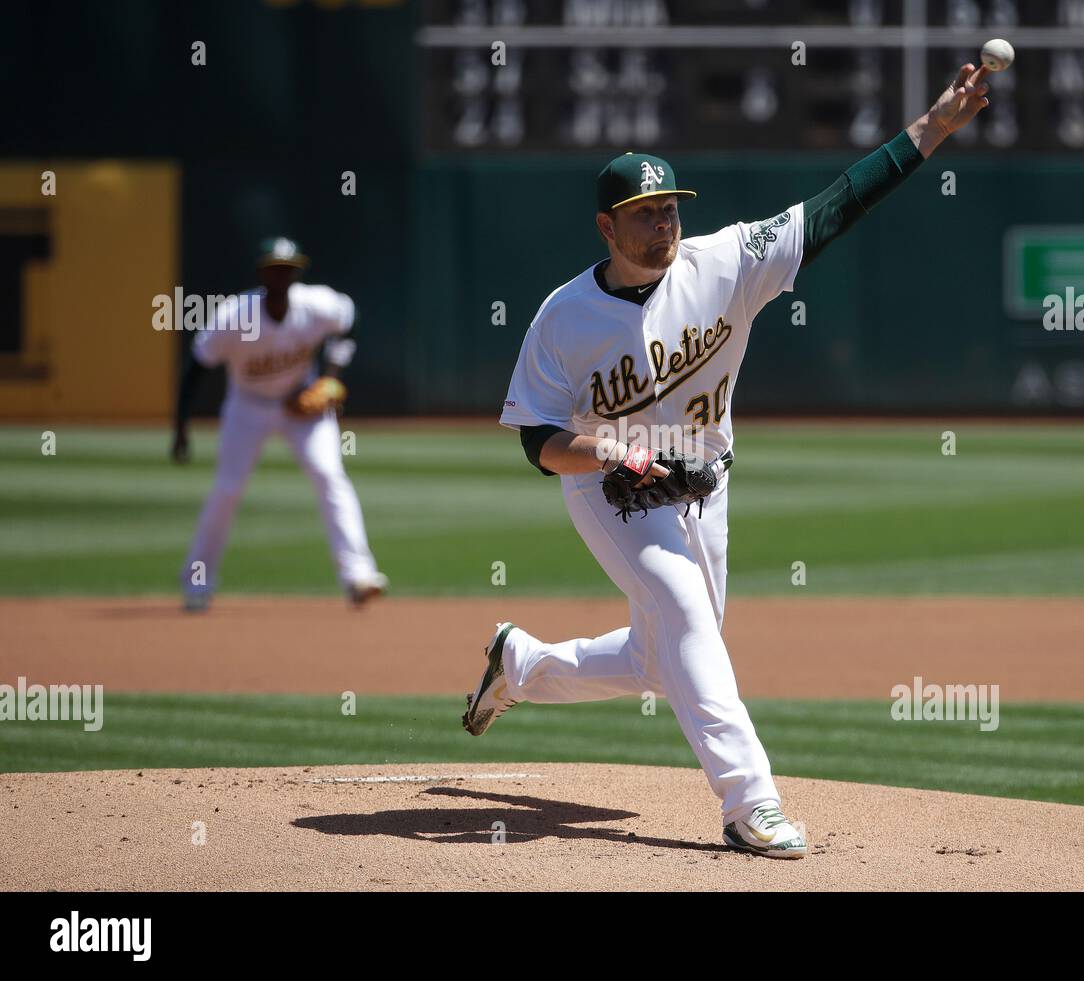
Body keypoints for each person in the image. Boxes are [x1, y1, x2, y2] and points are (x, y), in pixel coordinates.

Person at [466, 65, 994, 859]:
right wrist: (613, 448)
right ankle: (751, 802)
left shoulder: (726, 261)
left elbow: (837, 205)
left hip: (706, 486)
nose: (663, 224)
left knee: (660, 659)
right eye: (644, 214)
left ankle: (522, 662)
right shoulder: (563, 316)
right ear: (607, 227)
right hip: (611, 491)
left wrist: (933, 130)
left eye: (670, 207)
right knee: (684, 618)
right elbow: (537, 442)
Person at [171, 237, 387, 610]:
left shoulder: (315, 304)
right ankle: (197, 583)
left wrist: (331, 375)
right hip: (247, 407)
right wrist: (180, 428)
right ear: (262, 274)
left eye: (289, 269)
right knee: (228, 489)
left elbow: (348, 320)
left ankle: (358, 575)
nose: (283, 275)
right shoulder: (235, 316)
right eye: (275, 268)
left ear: (297, 273)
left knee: (329, 475)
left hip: (303, 406)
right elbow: (196, 366)